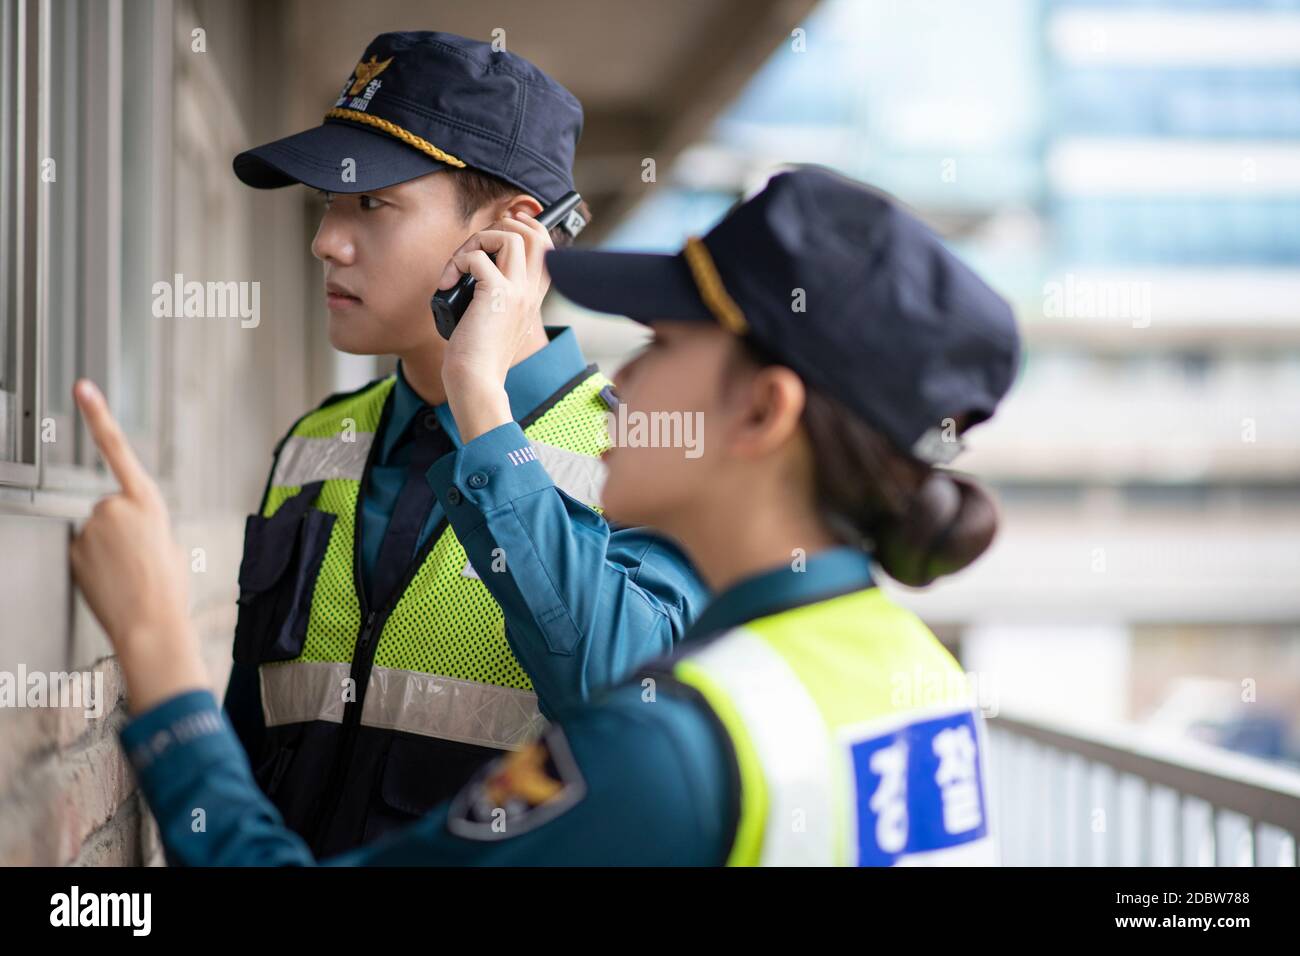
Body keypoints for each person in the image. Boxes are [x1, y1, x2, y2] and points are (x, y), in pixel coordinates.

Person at [70, 165, 1021, 865]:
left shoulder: (665, 748)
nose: (629, 380)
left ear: (763, 412)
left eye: (662, 342)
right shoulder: (920, 682)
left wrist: (154, 648)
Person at [218, 30, 707, 854]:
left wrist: (481, 410)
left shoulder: (645, 452)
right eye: (331, 203)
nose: (325, 241)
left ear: (513, 234)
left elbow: (621, 693)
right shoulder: (315, 441)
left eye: (370, 204)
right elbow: (251, 735)